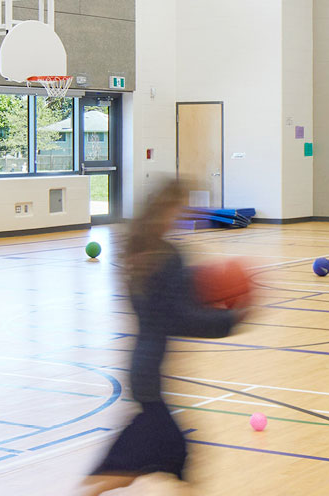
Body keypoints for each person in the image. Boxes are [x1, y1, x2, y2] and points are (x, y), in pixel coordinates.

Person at [78, 177, 245, 494]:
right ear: (169, 210)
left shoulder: (141, 251)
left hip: (142, 367)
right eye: (181, 207)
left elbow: (168, 309)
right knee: (172, 455)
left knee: (141, 462)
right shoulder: (166, 255)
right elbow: (180, 318)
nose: (184, 214)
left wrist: (201, 295)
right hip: (150, 372)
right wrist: (230, 320)